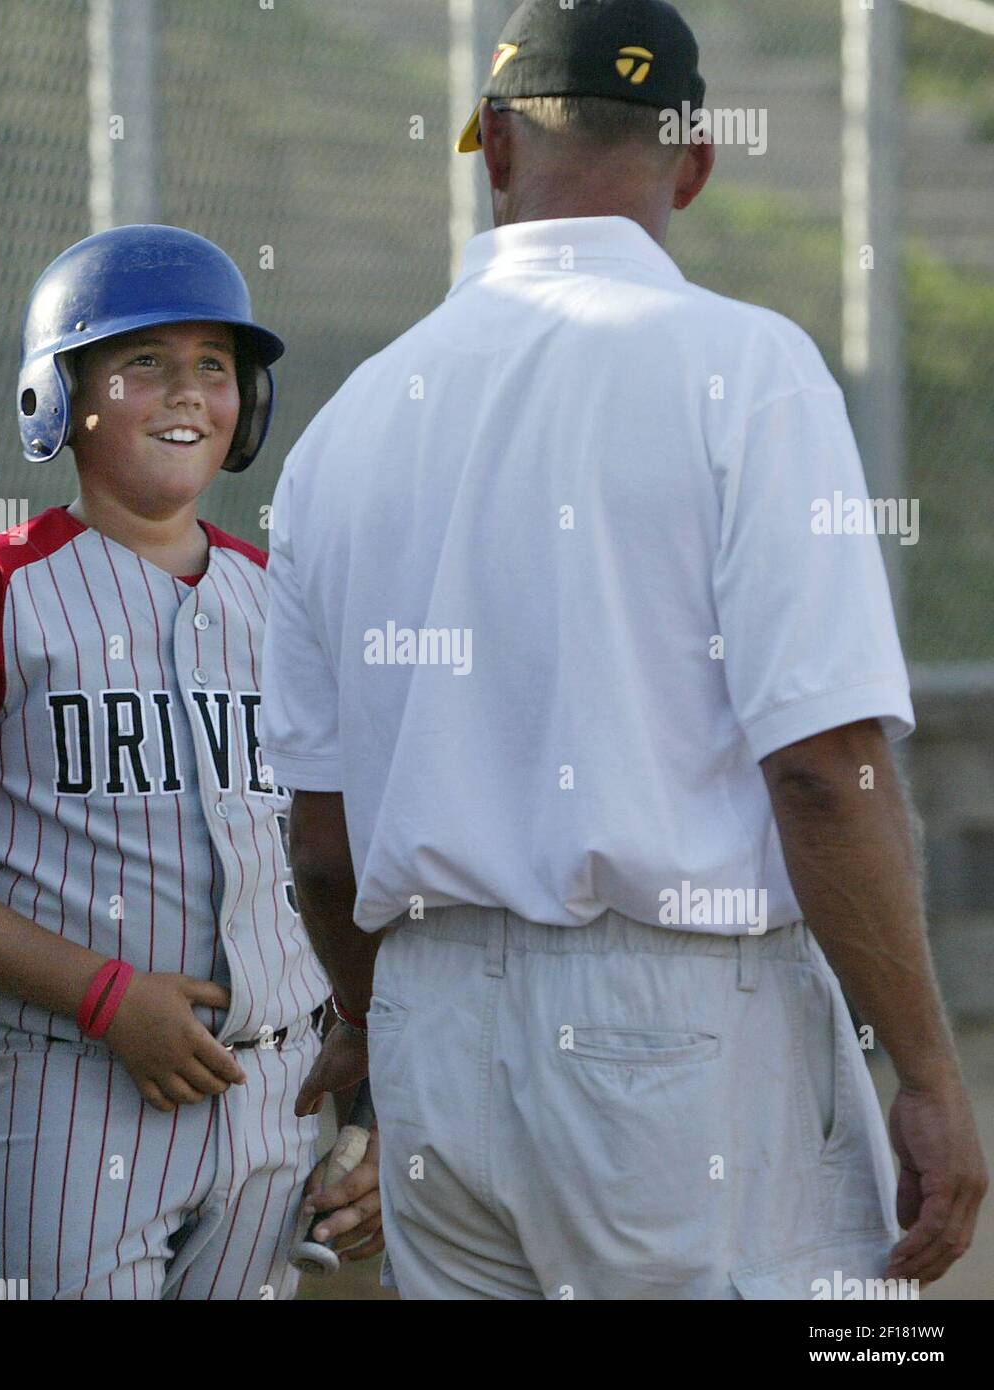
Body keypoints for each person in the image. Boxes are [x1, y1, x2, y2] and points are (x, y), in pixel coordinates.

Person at [259, 0, 986, 1299]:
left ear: (489, 148)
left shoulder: (348, 429)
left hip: (427, 1024)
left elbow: (322, 844)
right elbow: (824, 769)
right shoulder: (748, 370)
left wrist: (372, 1027)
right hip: (672, 1039)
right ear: (695, 163)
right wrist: (926, 1071)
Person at [0, 224, 381, 1299]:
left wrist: (368, 1082)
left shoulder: (284, 600)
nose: (187, 393)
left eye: (214, 367)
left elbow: (348, 849)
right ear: (61, 395)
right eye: (143, 363)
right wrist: (102, 997)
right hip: (70, 1086)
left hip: (276, 1088)